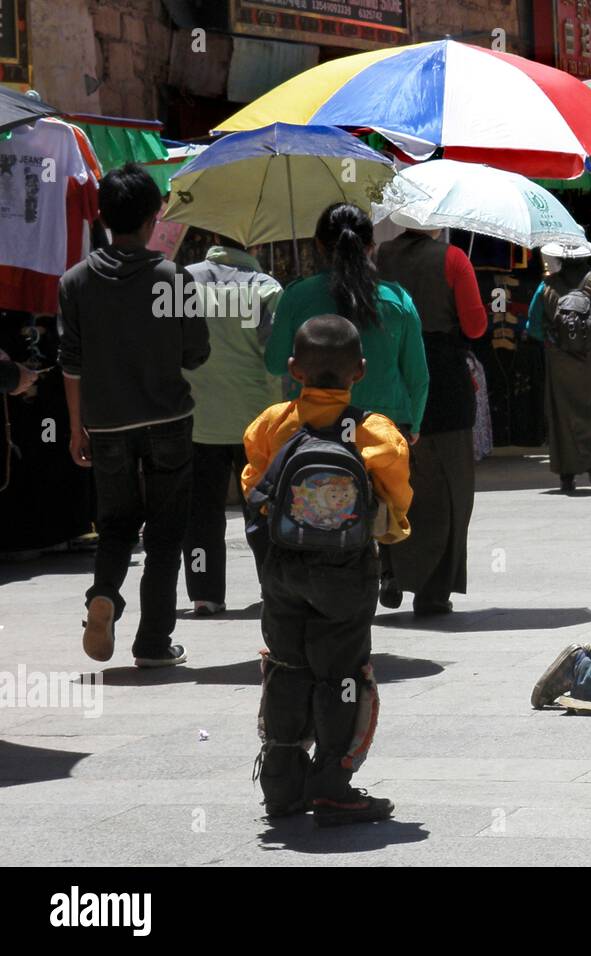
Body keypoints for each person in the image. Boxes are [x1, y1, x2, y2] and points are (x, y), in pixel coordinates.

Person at [242, 315, 412, 825]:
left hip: (283, 571)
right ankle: (335, 784)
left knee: (287, 665)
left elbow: (254, 489)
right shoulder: (375, 432)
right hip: (345, 575)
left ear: (293, 369)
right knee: (341, 673)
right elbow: (397, 505)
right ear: (359, 371)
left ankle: (281, 783)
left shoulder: (272, 424)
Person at [58, 163, 210, 668]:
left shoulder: (75, 282)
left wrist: (77, 427)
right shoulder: (171, 277)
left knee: (117, 524)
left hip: (105, 425)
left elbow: (71, 363)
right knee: (166, 535)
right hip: (167, 421)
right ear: (154, 217)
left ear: (102, 217)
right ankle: (152, 643)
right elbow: (196, 354)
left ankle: (104, 593)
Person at [375, 225, 487, 615]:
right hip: (443, 380)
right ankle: (433, 590)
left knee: (394, 480)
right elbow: (475, 326)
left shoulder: (381, 255)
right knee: (450, 488)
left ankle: (390, 568)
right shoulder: (454, 258)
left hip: (393, 377)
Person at [180, 237, 283, 615]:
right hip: (256, 421)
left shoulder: (183, 283)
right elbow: (276, 360)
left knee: (200, 513)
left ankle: (204, 594)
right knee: (262, 509)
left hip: (197, 419)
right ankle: (272, 587)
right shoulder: (266, 288)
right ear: (254, 244)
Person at [265, 203, 429, 438]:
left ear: (319, 245)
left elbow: (275, 363)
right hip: (385, 429)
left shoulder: (296, 296)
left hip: (314, 430)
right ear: (371, 248)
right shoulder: (398, 301)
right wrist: (413, 426)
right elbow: (418, 378)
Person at [525, 239, 591, 494]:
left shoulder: (546, 285)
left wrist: (556, 341)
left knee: (563, 415)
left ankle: (567, 474)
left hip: (560, 361)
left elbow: (534, 327)